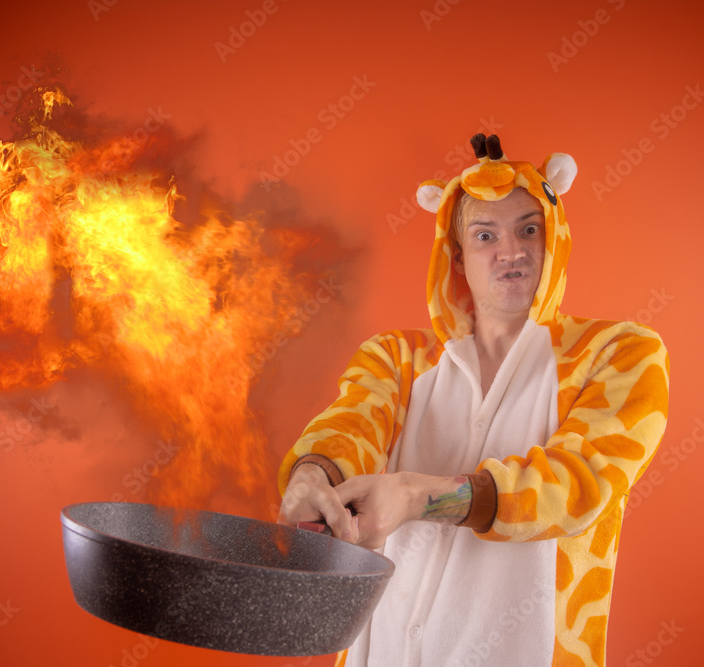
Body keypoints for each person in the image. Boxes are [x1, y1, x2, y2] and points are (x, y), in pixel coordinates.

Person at [277, 133, 670, 666]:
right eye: (485, 236)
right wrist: (312, 476)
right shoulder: (396, 359)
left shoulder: (619, 354)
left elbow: (579, 485)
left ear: (552, 239)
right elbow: (350, 427)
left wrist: (417, 495)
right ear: (457, 257)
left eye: (528, 229)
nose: (510, 251)